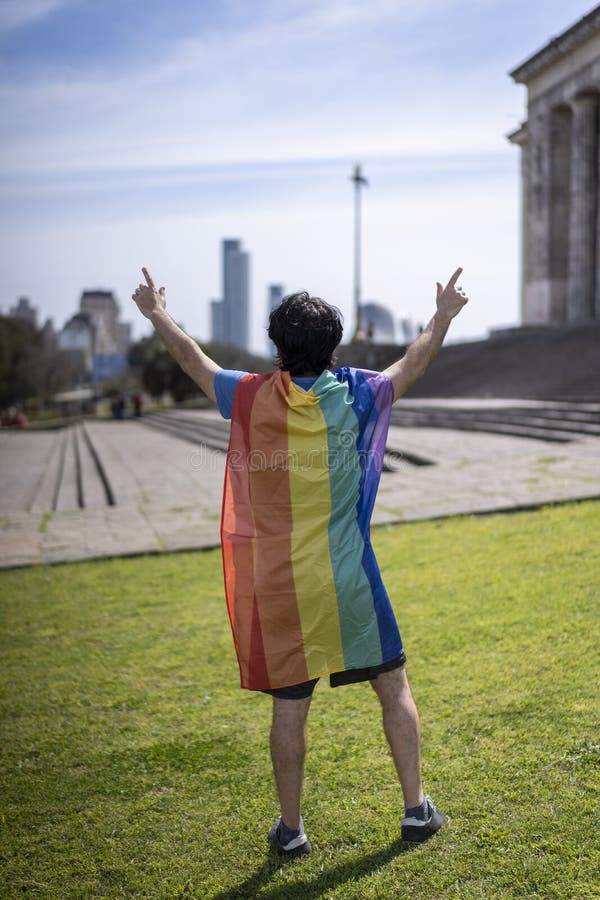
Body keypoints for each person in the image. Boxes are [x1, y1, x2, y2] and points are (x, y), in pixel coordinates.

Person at [132, 265, 468, 856]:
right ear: (333, 345)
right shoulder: (360, 393)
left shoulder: (251, 395)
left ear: (278, 346)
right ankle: (417, 811)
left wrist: (158, 313)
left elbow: (195, 364)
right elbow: (412, 365)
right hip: (349, 579)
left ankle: (291, 831)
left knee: (291, 705)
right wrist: (441, 317)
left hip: (282, 586)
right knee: (393, 686)